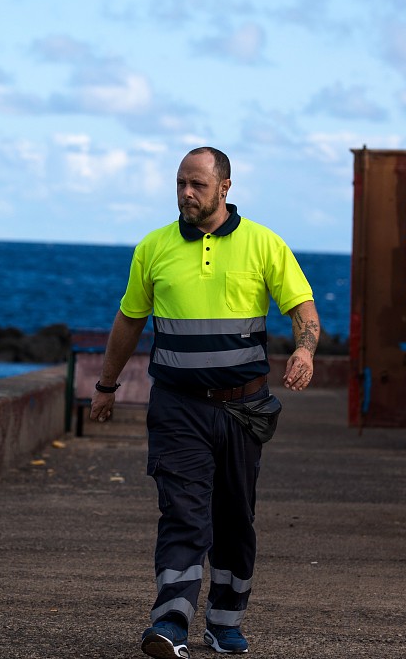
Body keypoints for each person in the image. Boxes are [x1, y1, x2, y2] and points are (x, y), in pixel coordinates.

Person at [91, 147, 319, 657]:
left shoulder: (264, 244)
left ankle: (225, 620)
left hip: (243, 408)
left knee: (235, 517)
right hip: (177, 406)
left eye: (196, 184)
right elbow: (130, 320)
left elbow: (301, 305)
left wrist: (304, 349)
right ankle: (170, 620)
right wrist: (107, 386)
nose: (186, 194)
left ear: (225, 187)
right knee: (184, 513)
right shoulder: (153, 248)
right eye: (179, 184)